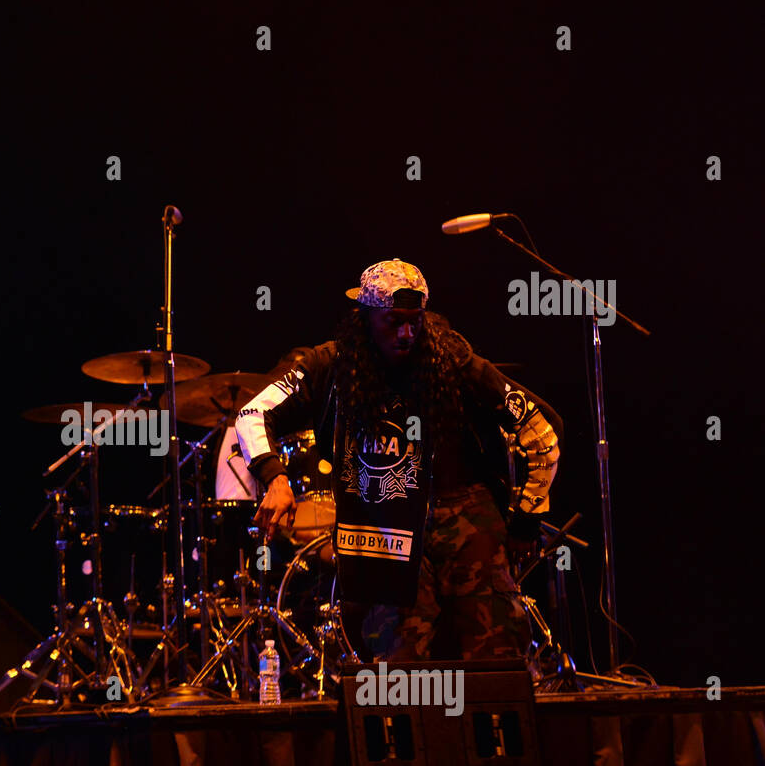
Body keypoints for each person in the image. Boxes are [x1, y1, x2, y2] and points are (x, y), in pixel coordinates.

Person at [236, 259, 561, 662]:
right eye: (393, 321)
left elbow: (541, 431)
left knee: (496, 657)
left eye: (415, 321)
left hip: (465, 516)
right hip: (385, 524)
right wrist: (275, 479)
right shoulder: (329, 365)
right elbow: (252, 414)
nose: (406, 333)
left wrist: (527, 516)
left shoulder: (455, 361)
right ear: (366, 318)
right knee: (401, 663)